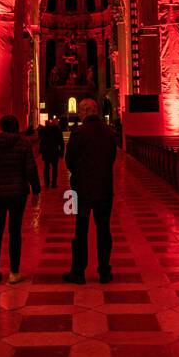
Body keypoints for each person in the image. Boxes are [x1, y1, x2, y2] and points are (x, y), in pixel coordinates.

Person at [0, 114, 42, 284]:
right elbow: (30, 168)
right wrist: (36, 190)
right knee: (15, 231)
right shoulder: (23, 144)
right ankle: (14, 272)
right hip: (17, 192)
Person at [62, 97, 117, 285]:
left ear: (84, 112)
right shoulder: (110, 133)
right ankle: (104, 272)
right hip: (105, 189)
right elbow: (112, 158)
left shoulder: (78, 133)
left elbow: (69, 161)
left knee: (80, 231)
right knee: (104, 230)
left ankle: (78, 272)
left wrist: (79, 170)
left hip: (80, 190)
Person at [38, 116, 64, 188]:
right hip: (55, 151)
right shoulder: (58, 130)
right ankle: (54, 184)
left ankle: (46, 183)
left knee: (46, 167)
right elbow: (61, 142)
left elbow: (41, 140)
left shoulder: (45, 130)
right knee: (55, 168)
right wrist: (61, 152)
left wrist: (41, 150)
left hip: (46, 151)